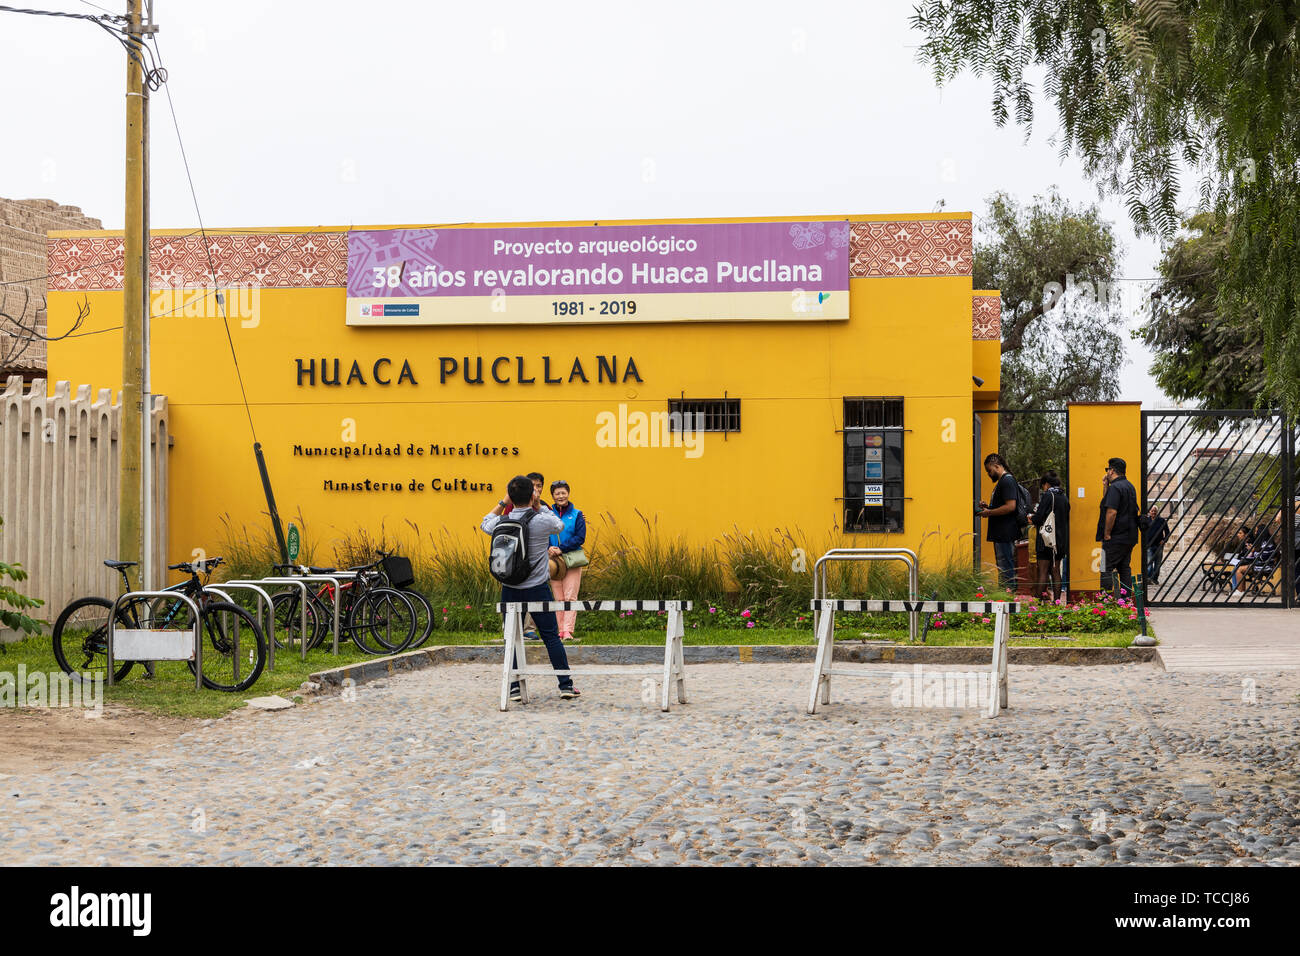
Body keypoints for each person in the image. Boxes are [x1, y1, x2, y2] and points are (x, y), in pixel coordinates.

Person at [482, 475, 580, 701]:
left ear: (510, 497)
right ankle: (565, 685)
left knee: (513, 637)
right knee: (551, 638)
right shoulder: (540, 520)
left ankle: (515, 688)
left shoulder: (501, 522)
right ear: (532, 495)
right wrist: (539, 505)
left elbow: (484, 522)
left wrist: (503, 503)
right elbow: (559, 524)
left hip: (509, 587)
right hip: (537, 587)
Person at [547, 480, 587, 640]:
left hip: (571, 559)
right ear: (553, 496)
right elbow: (542, 533)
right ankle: (559, 630)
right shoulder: (548, 514)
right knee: (558, 596)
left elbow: (580, 537)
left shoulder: (577, 514)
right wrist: (549, 548)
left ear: (568, 494)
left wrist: (562, 548)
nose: (561, 496)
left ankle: (568, 631)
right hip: (553, 561)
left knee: (570, 596)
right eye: (557, 493)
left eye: (563, 493)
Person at [977, 453, 1021, 591]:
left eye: (989, 470)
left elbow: (1010, 506)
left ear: (996, 466)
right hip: (1001, 533)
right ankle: (1005, 596)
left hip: (1005, 533)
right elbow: (1003, 506)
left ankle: (1008, 598)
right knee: (1003, 567)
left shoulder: (1007, 481)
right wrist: (988, 507)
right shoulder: (1002, 482)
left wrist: (989, 513)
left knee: (1006, 568)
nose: (989, 474)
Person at [1100, 457, 1140, 597]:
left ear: (1112, 471)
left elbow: (1111, 512)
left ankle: (1104, 601)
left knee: (1105, 568)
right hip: (1129, 536)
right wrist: (1105, 485)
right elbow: (1107, 503)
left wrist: (1107, 534)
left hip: (1115, 537)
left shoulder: (1116, 488)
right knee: (1124, 569)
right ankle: (1126, 601)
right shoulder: (1129, 486)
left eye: (1108, 469)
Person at [1030, 471, 1069, 602]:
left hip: (1046, 540)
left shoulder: (1048, 495)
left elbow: (1039, 517)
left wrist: (1031, 518)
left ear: (1046, 484)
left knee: (1043, 571)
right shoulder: (1064, 497)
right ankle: (1057, 603)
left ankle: (1038, 603)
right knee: (1056, 571)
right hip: (1060, 541)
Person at [1143, 504, 1171, 586]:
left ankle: (1155, 579)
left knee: (1158, 563)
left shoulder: (1161, 521)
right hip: (1148, 545)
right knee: (1149, 563)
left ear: (1157, 512)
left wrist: (1164, 540)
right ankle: (1149, 578)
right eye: (1152, 511)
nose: (1153, 512)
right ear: (1149, 512)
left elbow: (1167, 532)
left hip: (1159, 545)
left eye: (1155, 511)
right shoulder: (1146, 521)